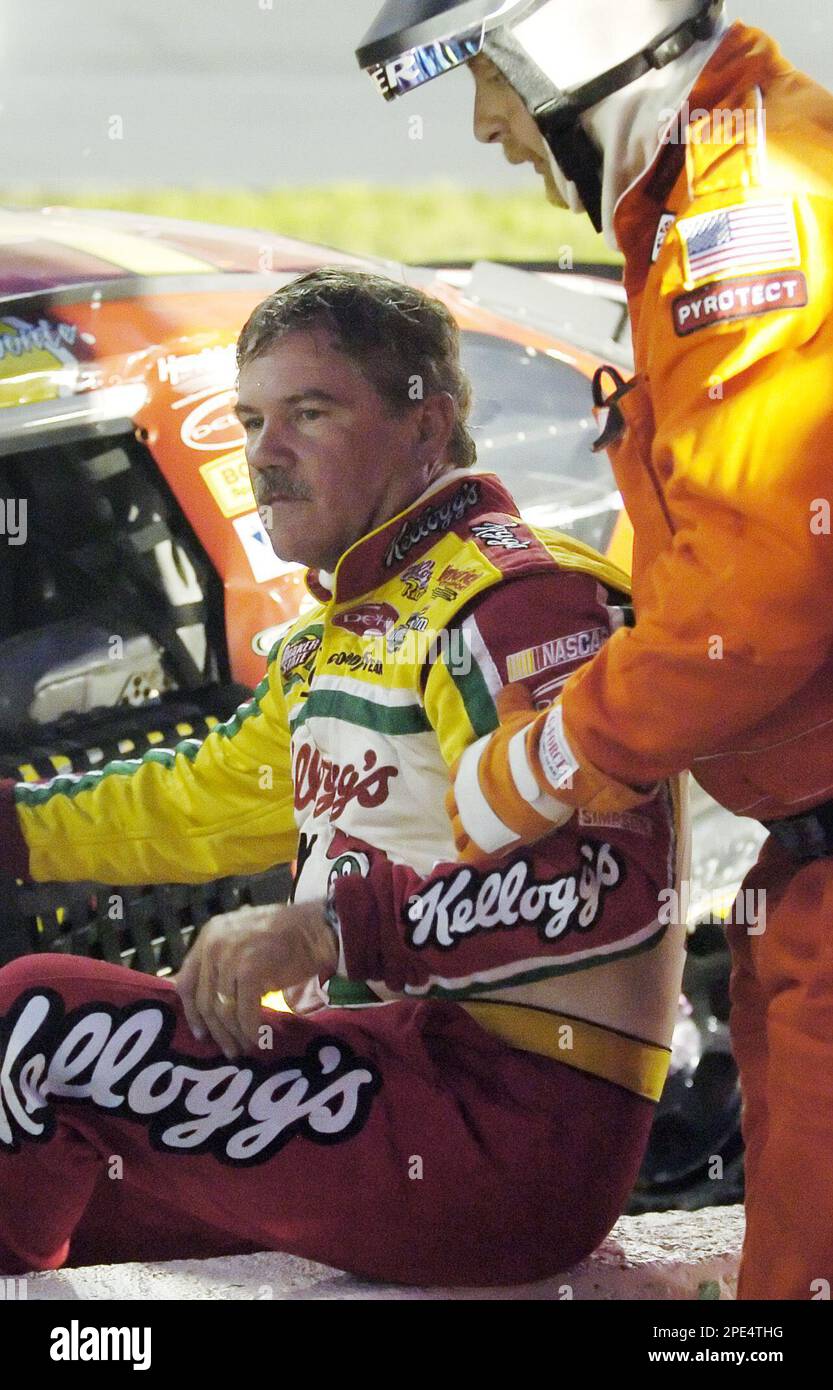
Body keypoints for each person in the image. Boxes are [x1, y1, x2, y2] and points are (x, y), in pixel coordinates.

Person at [0, 269, 685, 1285]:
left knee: (38, 1027)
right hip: (370, 1084)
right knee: (56, 1159)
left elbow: (604, 887)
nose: (262, 456)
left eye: (307, 413)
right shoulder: (342, 629)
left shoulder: (514, 603)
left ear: (424, 426)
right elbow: (204, 794)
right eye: (249, 420)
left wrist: (329, 927)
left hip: (500, 1129)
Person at [356, 0, 833, 1299]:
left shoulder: (753, 214)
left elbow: (758, 591)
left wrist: (554, 754)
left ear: (576, 40)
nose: (489, 128)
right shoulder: (721, 179)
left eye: (490, 80)